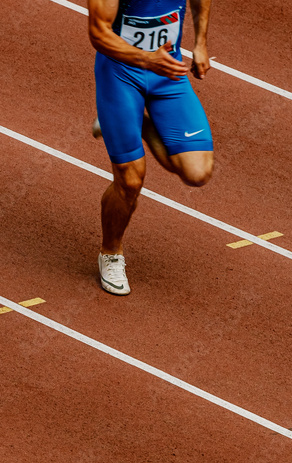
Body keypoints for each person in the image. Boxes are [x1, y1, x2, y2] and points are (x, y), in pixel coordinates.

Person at [89, 0, 214, 295]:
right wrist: (146, 59)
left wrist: (200, 43)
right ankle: (111, 253)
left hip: (167, 70)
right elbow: (98, 33)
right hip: (121, 74)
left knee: (197, 172)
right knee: (130, 181)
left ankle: (135, 124)